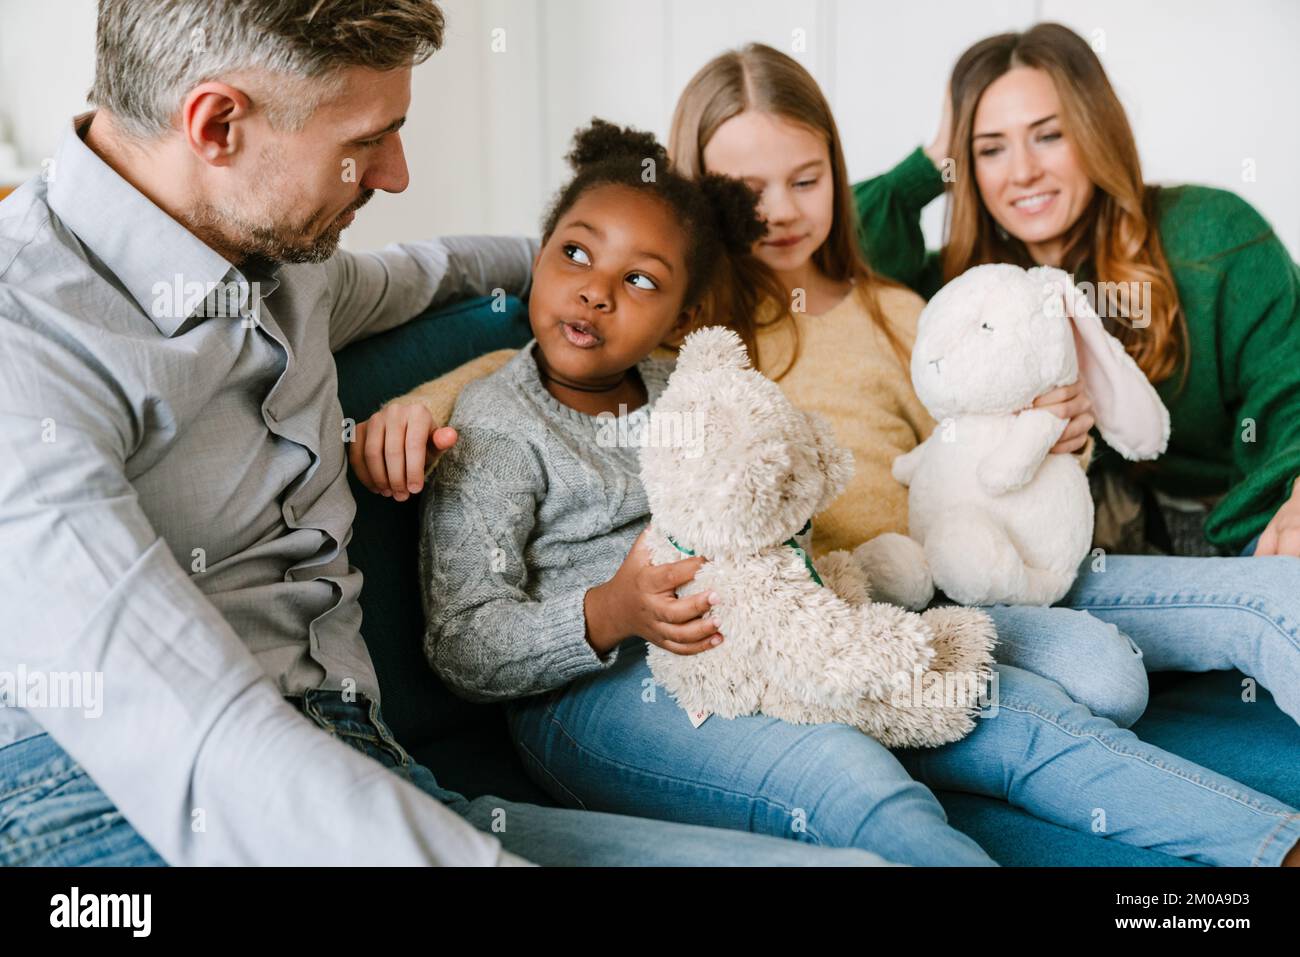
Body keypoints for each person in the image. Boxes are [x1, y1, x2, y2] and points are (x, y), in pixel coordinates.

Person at [0, 0, 890, 868]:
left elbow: (439, 269)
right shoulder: (25, 338)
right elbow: (187, 736)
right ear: (218, 125)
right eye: (364, 144)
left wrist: (598, 263)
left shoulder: (285, 264)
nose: (396, 175)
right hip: (108, 798)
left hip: (373, 766)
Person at [367, 111, 1300, 867]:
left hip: (785, 632)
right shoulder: (493, 428)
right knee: (853, 778)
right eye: (573, 254)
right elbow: (462, 644)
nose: (596, 291)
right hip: (599, 694)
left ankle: (1272, 843)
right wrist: (608, 611)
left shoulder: (700, 387)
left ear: (684, 317)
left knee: (1005, 703)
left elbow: (783, 516)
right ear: (537, 257)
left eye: (638, 279)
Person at [853, 22, 1300, 724]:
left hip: (1248, 518)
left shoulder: (1210, 235)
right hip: (1094, 563)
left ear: (1095, 131)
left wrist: (1296, 492)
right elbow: (846, 236)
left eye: (1048, 135)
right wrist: (933, 156)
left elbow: (1291, 388)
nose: (1021, 171)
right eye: (990, 148)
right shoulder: (974, 288)